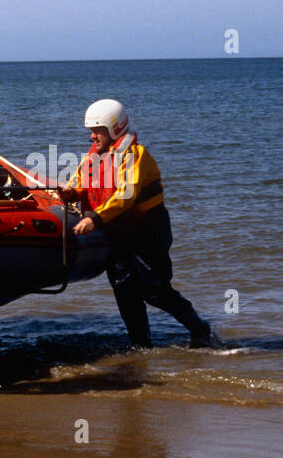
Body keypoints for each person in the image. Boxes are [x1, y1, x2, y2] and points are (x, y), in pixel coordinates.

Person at [58, 99, 220, 349]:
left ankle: (200, 329)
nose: (91, 136)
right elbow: (80, 182)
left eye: (97, 130)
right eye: (90, 131)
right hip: (116, 234)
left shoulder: (136, 156)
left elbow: (125, 195)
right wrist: (70, 193)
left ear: (114, 128)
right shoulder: (93, 158)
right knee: (125, 292)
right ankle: (141, 347)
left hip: (147, 233)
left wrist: (95, 219)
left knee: (155, 290)